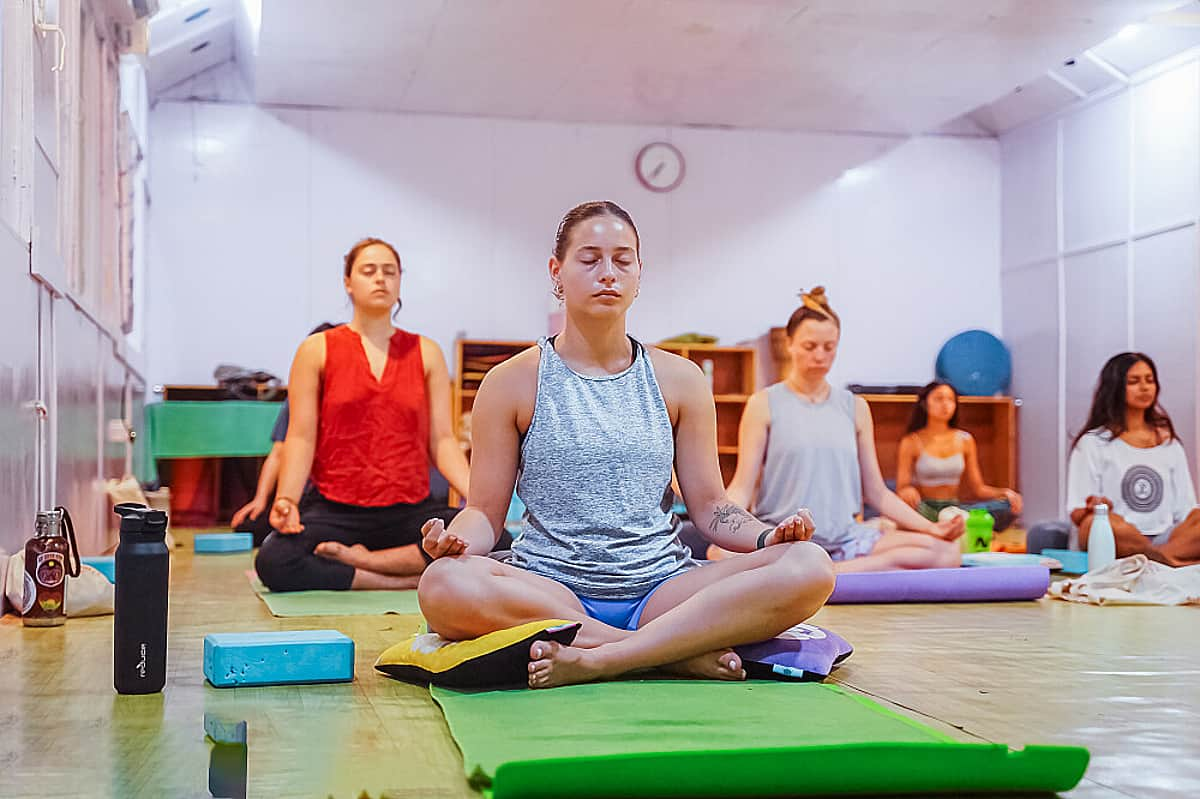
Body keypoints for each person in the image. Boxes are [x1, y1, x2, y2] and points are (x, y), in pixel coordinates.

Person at [415, 201, 835, 689]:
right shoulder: (510, 382)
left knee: (810, 565)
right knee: (442, 582)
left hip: (662, 590)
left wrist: (768, 537)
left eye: (623, 260)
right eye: (589, 259)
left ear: (639, 274)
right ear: (557, 272)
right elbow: (485, 513)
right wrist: (455, 541)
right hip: (551, 592)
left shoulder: (680, 379)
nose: (607, 274)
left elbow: (712, 507)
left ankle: (604, 656)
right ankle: (666, 651)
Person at [253, 237, 471, 591]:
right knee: (274, 560)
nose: (380, 279)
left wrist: (478, 500)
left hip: (408, 510)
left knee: (497, 540)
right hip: (335, 510)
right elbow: (301, 436)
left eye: (389, 271)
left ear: (400, 281)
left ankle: (363, 563)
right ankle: (397, 580)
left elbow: (443, 440)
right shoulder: (316, 350)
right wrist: (286, 499)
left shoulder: (426, 351)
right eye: (368, 271)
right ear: (348, 283)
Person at [725, 288, 964, 573]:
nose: (820, 355)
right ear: (789, 344)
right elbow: (741, 487)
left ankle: (828, 573)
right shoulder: (763, 403)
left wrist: (933, 529)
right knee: (720, 553)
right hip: (786, 542)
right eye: (810, 346)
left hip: (848, 539)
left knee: (947, 553)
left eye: (829, 347)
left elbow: (877, 492)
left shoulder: (855, 407)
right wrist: (718, 521)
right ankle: (833, 571)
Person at [1068, 352, 1200, 566]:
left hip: (1168, 538)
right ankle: (1167, 563)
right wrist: (1093, 506)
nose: (1145, 387)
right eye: (1134, 382)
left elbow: (1187, 510)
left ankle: (1157, 561)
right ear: (1116, 387)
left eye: (1150, 380)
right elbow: (1077, 513)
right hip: (1119, 535)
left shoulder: (1170, 443)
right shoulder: (1092, 442)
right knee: (1094, 524)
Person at [232, 323, 339, 546]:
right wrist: (260, 501)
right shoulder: (299, 397)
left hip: (340, 497)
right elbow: (279, 452)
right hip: (302, 494)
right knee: (252, 529)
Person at [894, 380, 1023, 530]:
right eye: (939, 399)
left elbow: (979, 488)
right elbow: (901, 487)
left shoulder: (965, 440)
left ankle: (957, 525)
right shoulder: (911, 441)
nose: (945, 405)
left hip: (955, 510)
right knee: (900, 512)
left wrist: (1005, 493)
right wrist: (907, 491)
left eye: (950, 400)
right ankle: (942, 527)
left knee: (1005, 506)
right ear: (924, 403)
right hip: (925, 509)